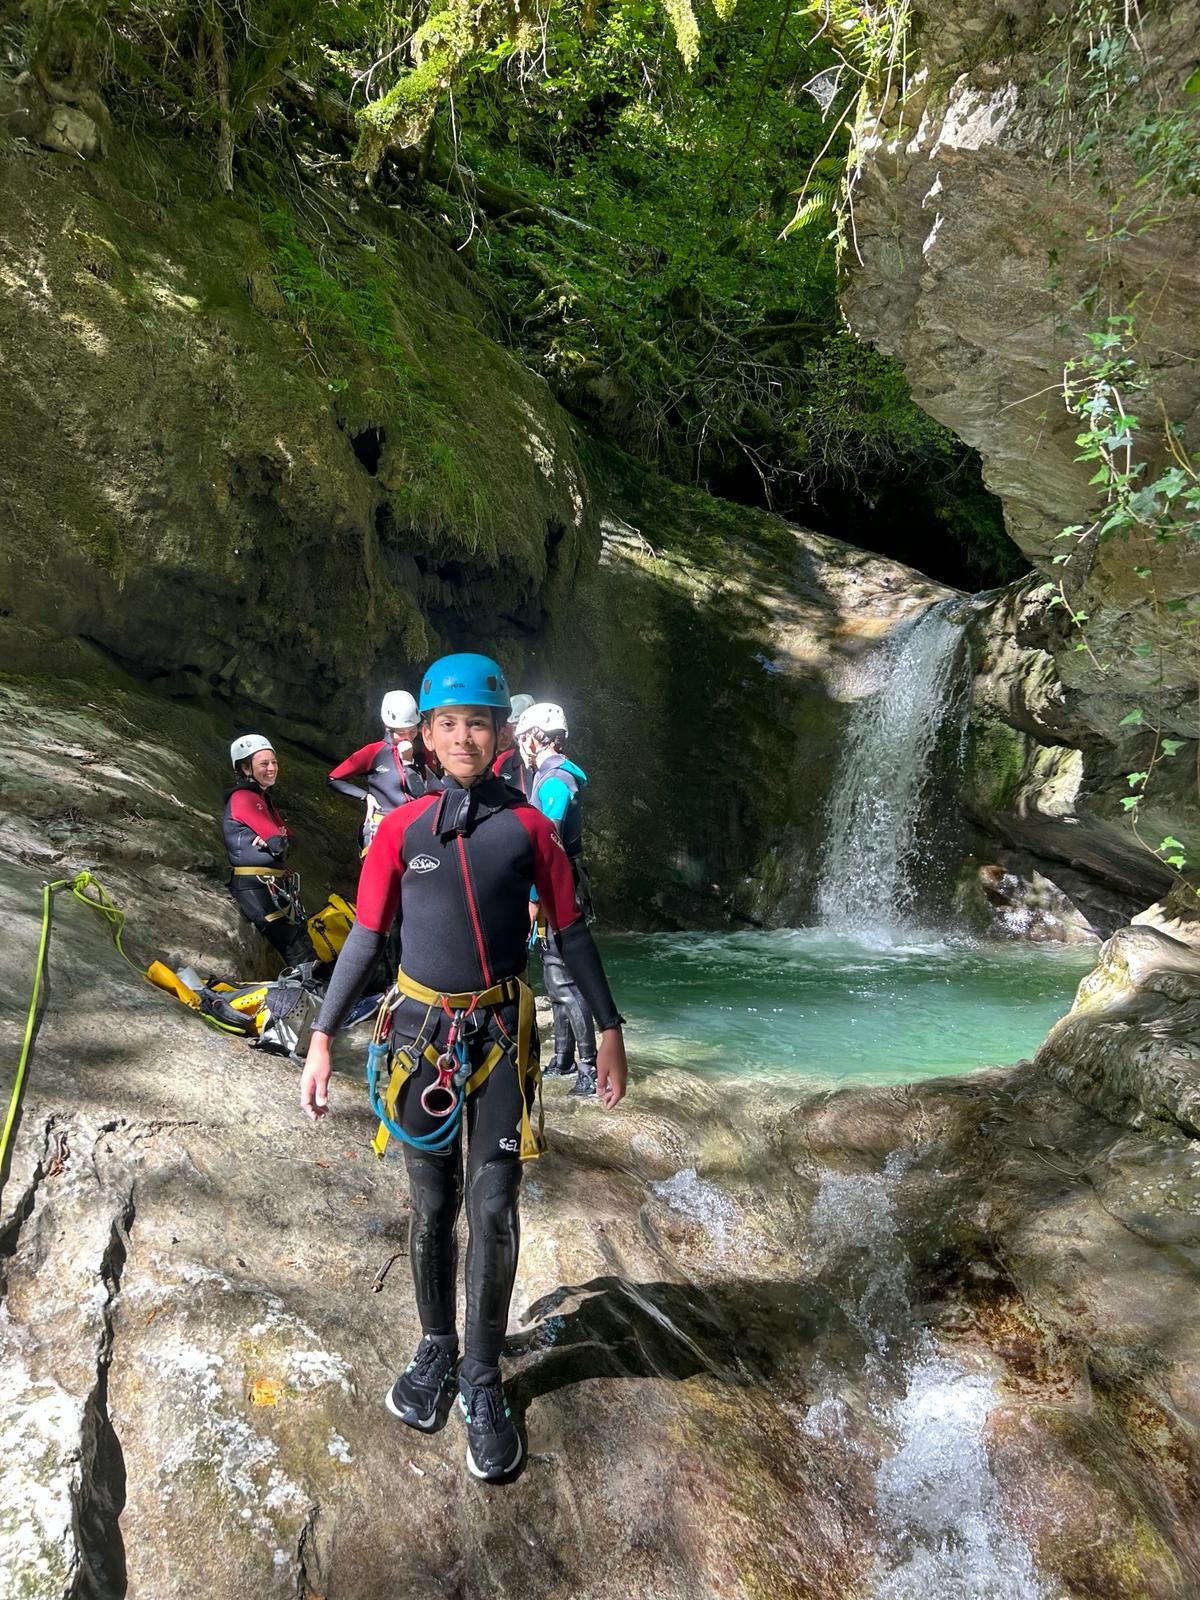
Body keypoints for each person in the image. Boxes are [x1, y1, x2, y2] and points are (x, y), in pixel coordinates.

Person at [300, 653, 627, 1483]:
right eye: (448, 724)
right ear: (428, 736)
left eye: (477, 723)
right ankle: (436, 1347)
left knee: (493, 1204)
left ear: (501, 733)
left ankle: (483, 1377)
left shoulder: (530, 830)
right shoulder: (404, 833)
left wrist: (610, 1028)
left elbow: (571, 931)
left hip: (495, 1042)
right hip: (418, 1036)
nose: (462, 736)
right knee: (430, 1202)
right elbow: (368, 936)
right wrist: (321, 1035)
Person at [515, 701, 598, 1096]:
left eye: (522, 740)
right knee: (555, 975)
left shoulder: (553, 783)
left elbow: (547, 848)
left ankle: (588, 1067)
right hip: (561, 885)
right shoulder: (553, 776)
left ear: (535, 739)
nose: (521, 749)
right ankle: (562, 1058)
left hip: (557, 889)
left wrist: (532, 900)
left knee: (563, 979)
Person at [223, 734, 314, 967]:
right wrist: (277, 840)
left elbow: (292, 842)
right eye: (264, 764)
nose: (272, 768)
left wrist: (278, 841)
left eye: (274, 762)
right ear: (245, 768)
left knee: (302, 943)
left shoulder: (262, 798)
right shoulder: (244, 797)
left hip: (270, 886)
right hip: (256, 888)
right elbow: (280, 844)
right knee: (295, 947)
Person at [327, 690, 438, 851]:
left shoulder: (422, 751)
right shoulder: (374, 752)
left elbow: (423, 793)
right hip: (383, 826)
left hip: (416, 825)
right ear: (388, 728)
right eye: (401, 733)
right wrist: (366, 796)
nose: (407, 737)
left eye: (412, 731)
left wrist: (408, 762)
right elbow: (333, 779)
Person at [491, 692, 535, 787]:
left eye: (525, 727)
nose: (520, 733)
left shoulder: (552, 760)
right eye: (515, 727)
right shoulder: (502, 761)